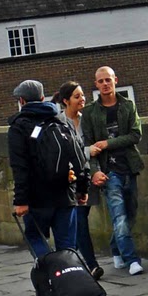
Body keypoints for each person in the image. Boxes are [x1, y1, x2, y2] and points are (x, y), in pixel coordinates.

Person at [7, 79, 84, 259]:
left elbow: (20, 167)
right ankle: (69, 279)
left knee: (34, 236)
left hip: (37, 198)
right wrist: (82, 188)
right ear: (42, 98)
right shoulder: (61, 119)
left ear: (22, 101)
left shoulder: (18, 127)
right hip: (65, 194)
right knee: (67, 248)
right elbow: (78, 155)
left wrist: (21, 201)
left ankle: (51, 275)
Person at [83, 65, 145, 275]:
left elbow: (136, 135)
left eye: (108, 80)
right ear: (96, 84)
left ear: (115, 80)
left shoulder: (127, 105)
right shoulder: (90, 112)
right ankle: (132, 260)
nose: (105, 84)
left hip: (129, 167)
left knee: (130, 213)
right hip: (108, 171)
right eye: (100, 81)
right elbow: (89, 146)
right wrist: (94, 172)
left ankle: (116, 250)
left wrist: (109, 144)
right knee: (118, 216)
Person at [53, 81, 102, 279]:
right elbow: (62, 152)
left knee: (78, 222)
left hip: (89, 176)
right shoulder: (58, 122)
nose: (82, 99)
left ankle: (71, 264)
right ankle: (91, 265)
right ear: (66, 101)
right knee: (79, 221)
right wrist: (87, 151)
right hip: (70, 179)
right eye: (77, 96)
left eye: (82, 95)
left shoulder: (87, 119)